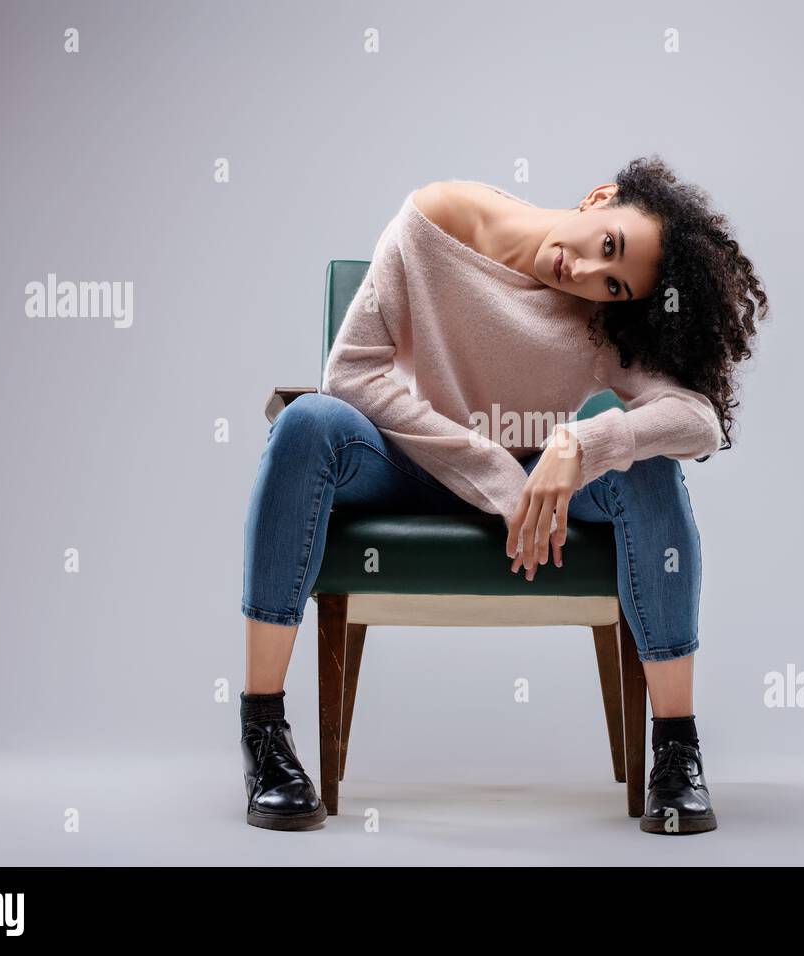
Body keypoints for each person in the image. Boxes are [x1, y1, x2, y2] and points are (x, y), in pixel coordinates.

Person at [239, 155, 769, 834]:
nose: (586, 277)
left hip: (542, 494)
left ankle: (676, 751)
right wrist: (488, 467)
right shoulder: (436, 220)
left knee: (650, 464)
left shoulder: (604, 320)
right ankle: (264, 735)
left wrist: (583, 443)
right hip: (412, 466)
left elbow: (697, 423)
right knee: (306, 422)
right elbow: (350, 373)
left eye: (614, 284)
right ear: (598, 199)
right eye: (608, 246)